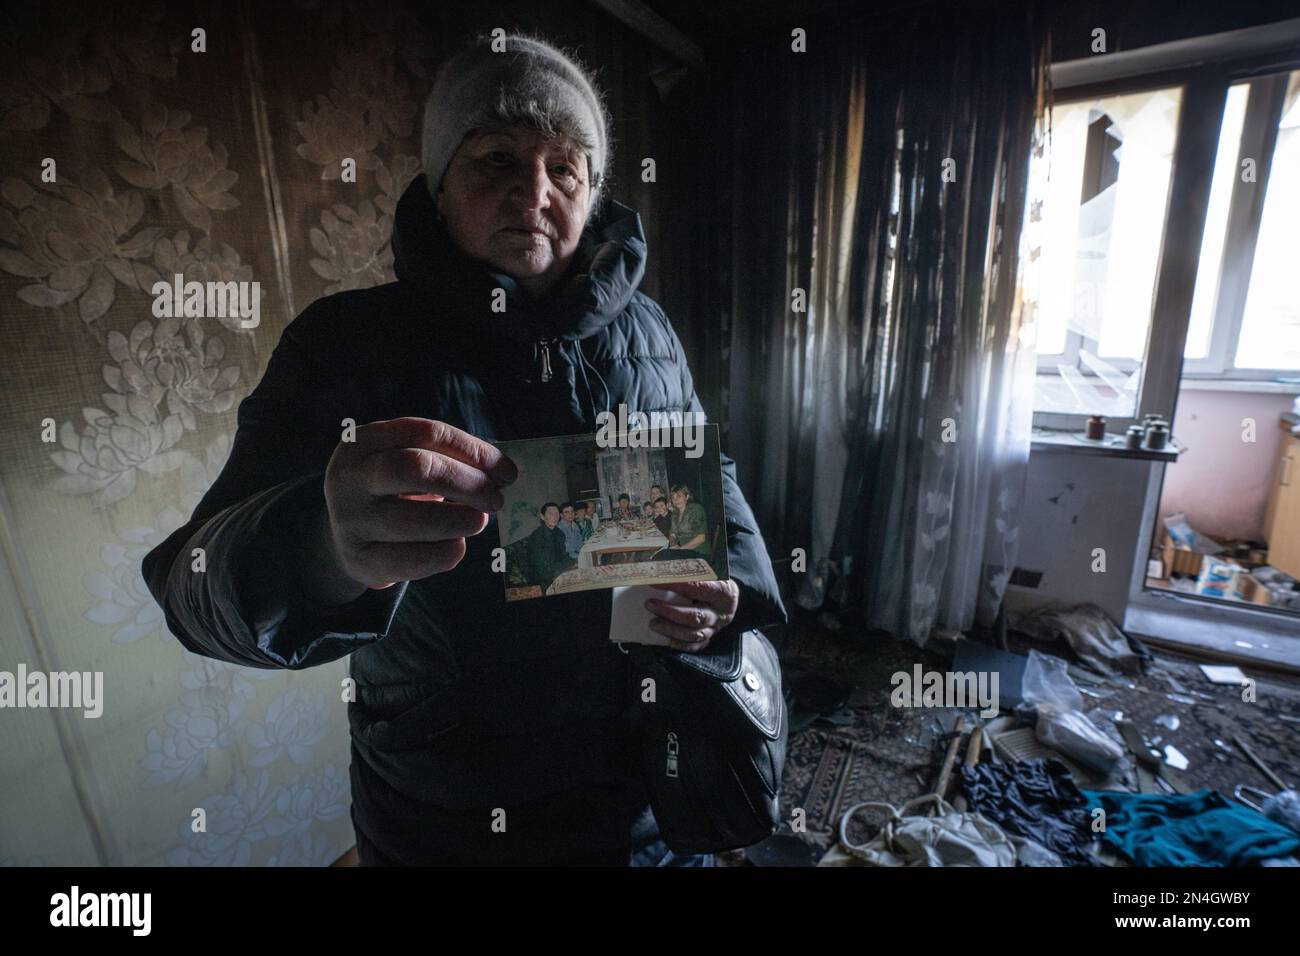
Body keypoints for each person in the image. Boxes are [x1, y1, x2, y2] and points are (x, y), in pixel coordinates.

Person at [141, 32, 783, 867]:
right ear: (441, 188)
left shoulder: (649, 329)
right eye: (498, 158)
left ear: (592, 190)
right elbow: (189, 589)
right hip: (447, 815)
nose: (536, 192)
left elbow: (713, 486)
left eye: (566, 166)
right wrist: (319, 544)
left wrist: (731, 599)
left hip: (647, 795)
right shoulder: (343, 343)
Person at [529, 502, 575, 587]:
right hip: (544, 578)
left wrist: (574, 562)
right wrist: (569, 566)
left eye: (556, 513)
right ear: (542, 517)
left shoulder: (559, 533)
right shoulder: (537, 537)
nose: (554, 517)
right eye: (550, 514)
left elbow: (564, 555)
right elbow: (544, 568)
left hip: (558, 570)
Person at [668, 484, 710, 555]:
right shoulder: (675, 512)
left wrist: (681, 549)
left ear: (687, 497)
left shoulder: (696, 509)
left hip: (698, 551)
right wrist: (673, 544)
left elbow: (701, 538)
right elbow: (673, 533)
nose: (675, 500)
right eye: (673, 497)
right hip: (682, 550)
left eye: (679, 496)